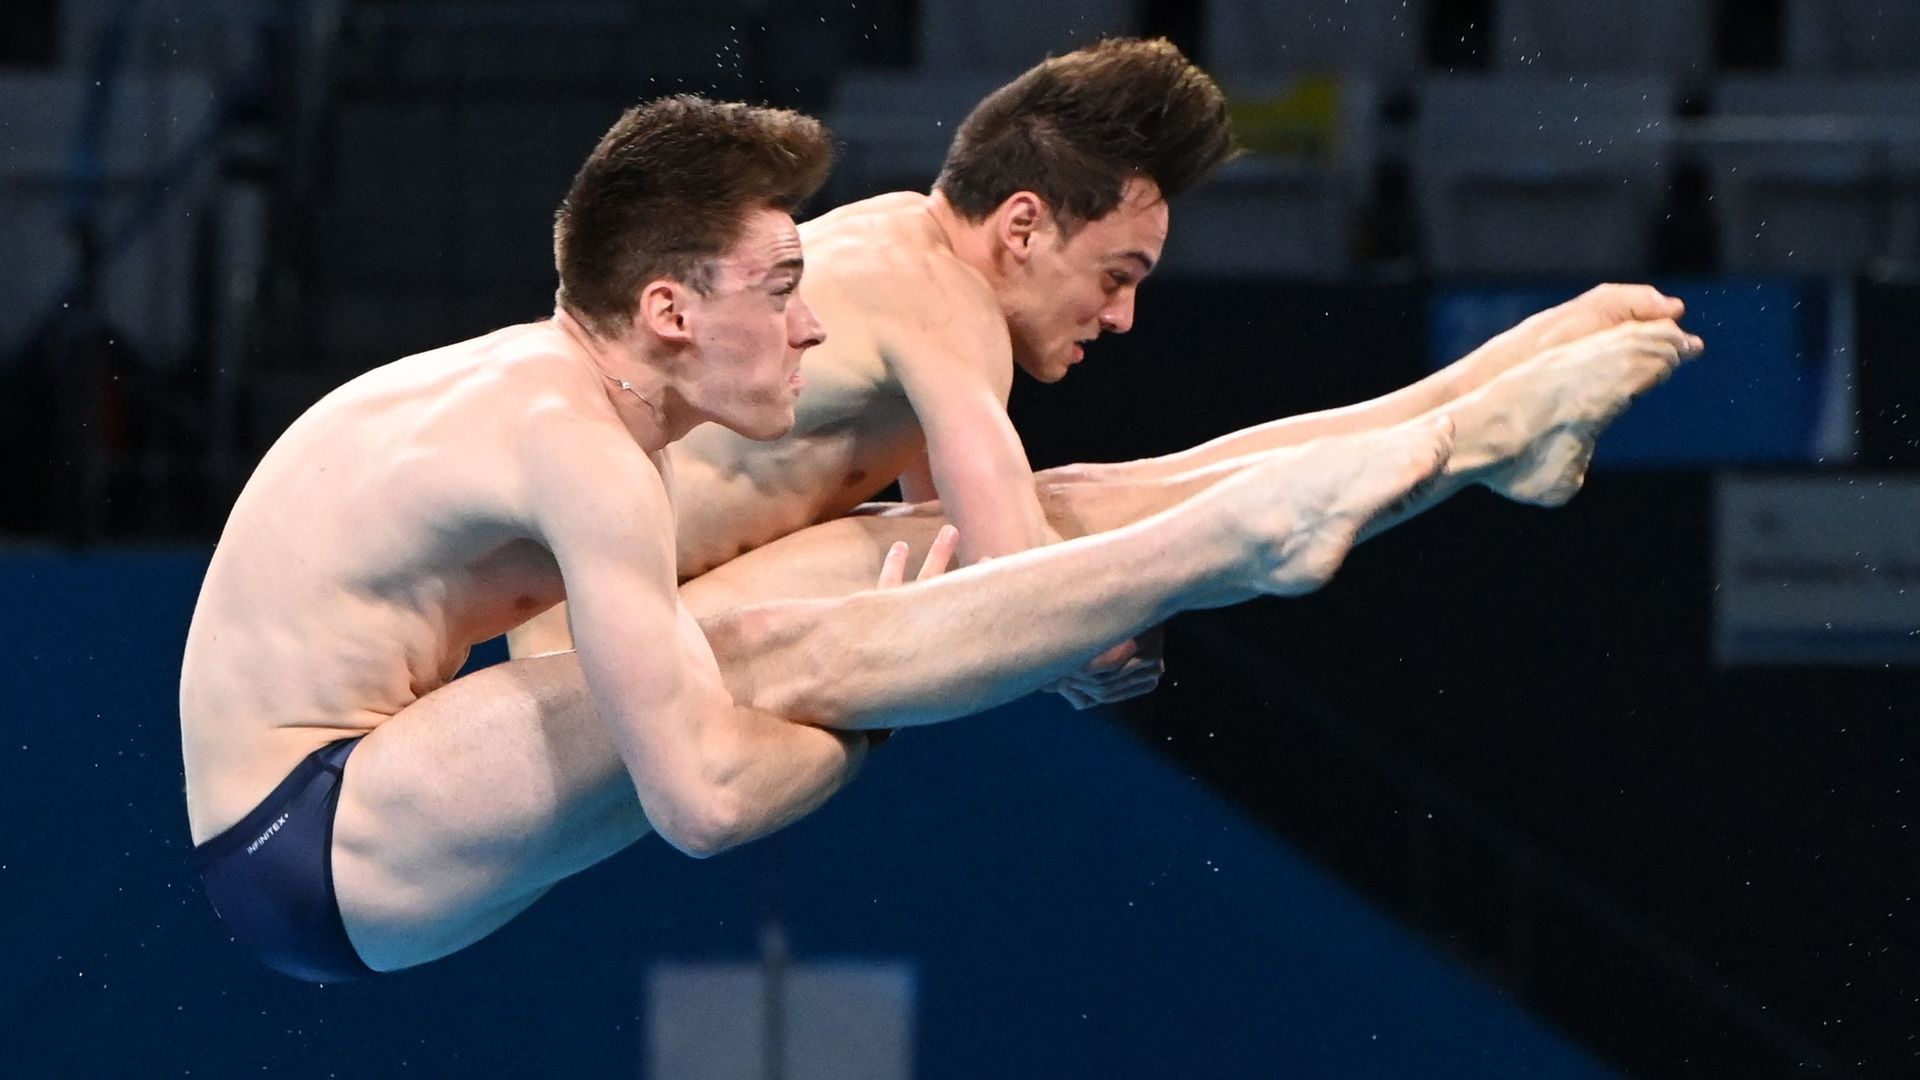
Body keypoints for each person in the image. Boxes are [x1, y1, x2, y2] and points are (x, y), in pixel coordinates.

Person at [180, 95, 1479, 983]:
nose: (812, 326)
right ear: (672, 312)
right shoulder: (578, 446)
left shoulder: (560, 395)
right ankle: (1240, 541)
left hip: (328, 818)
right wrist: (878, 706)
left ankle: (1316, 490)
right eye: (784, 290)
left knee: (849, 601)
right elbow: (705, 806)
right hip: (312, 840)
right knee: (797, 649)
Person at [509, 38, 1704, 710]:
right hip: (584, 658)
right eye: (1116, 274)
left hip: (610, 625)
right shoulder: (940, 301)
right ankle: (1477, 427)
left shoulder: (894, 249)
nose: (1123, 318)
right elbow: (1026, 584)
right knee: (1076, 520)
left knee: (1056, 514)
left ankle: (1482, 404)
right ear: (1024, 226)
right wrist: (1095, 648)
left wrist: (1077, 633)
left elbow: (979, 542)